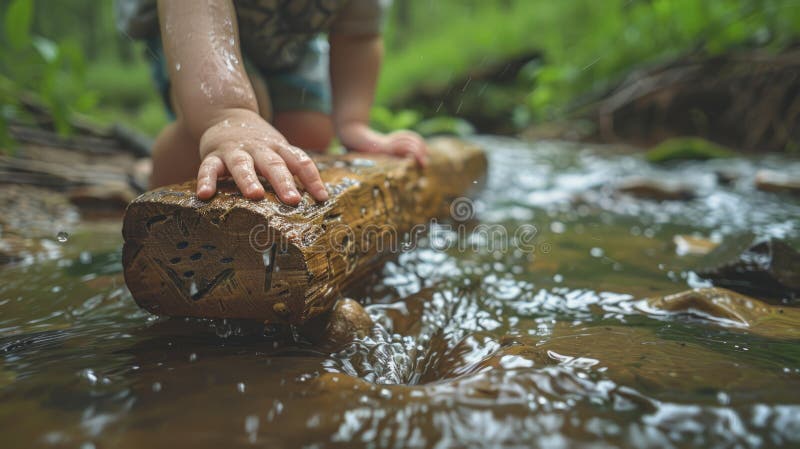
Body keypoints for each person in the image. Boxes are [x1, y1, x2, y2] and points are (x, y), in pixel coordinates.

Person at [116, 0, 428, 205]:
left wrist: (352, 124)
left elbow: (358, 34)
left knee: (310, 132)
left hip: (287, 43)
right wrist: (226, 116)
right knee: (242, 122)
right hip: (195, 33)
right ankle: (160, 208)